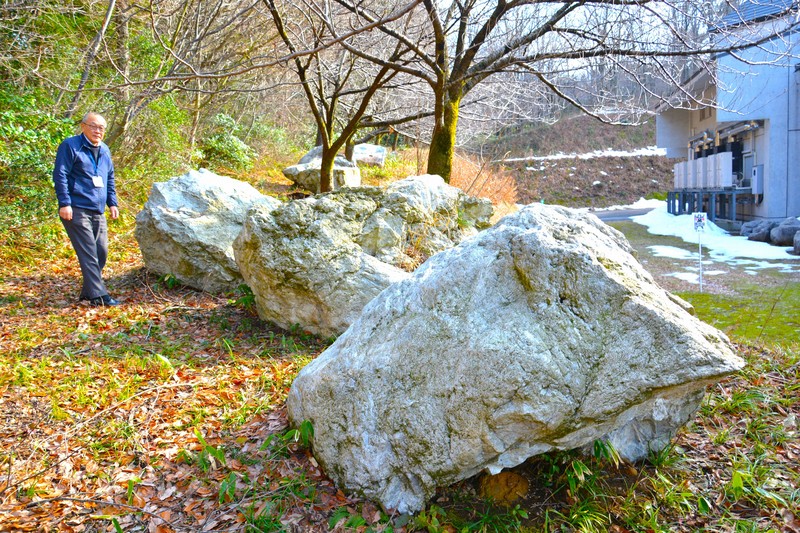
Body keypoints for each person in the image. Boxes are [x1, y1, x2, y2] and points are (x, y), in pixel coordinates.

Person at [53, 112, 120, 306]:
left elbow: (110, 177)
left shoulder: (105, 149)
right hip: (76, 207)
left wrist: (112, 202)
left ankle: (88, 292)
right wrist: (64, 203)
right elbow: (61, 174)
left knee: (101, 251)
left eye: (101, 128)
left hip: (97, 208)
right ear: (83, 126)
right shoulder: (70, 145)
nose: (97, 131)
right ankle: (99, 296)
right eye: (93, 126)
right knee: (89, 252)